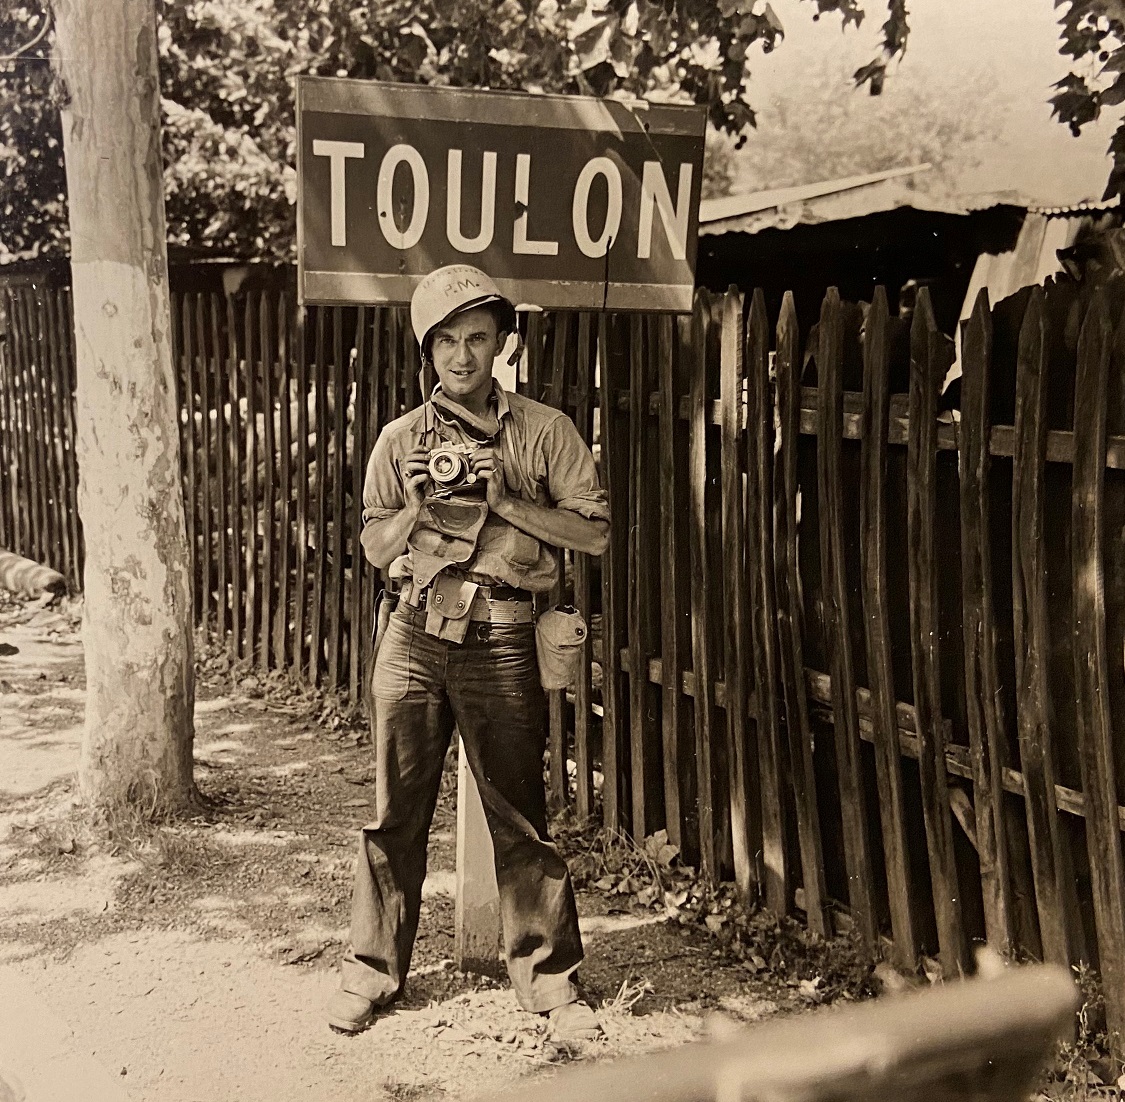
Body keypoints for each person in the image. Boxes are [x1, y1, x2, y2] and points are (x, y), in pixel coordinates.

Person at [327, 264, 610, 1041]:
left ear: (501, 344)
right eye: (446, 341)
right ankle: (371, 971)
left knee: (519, 816)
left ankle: (551, 985)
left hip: (504, 637)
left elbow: (594, 533)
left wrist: (505, 502)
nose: (461, 356)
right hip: (414, 634)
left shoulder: (546, 431)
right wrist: (418, 501)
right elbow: (374, 544)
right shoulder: (400, 440)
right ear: (429, 352)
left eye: (476, 338)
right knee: (394, 815)